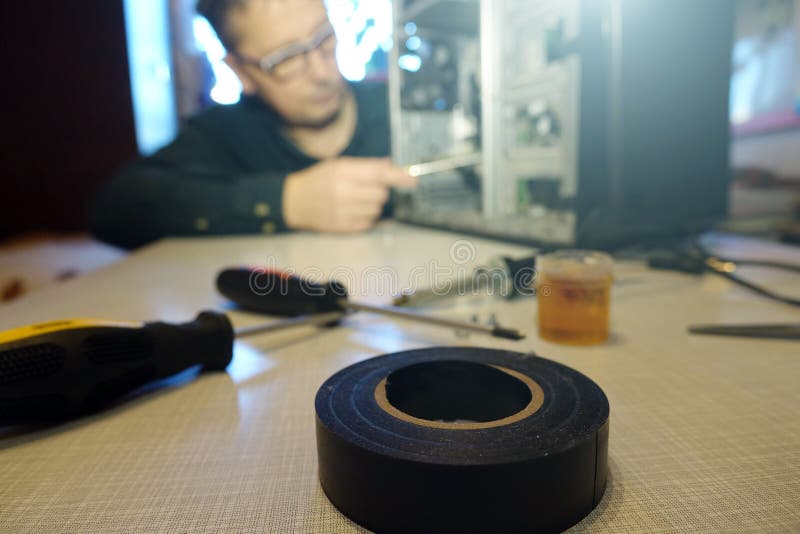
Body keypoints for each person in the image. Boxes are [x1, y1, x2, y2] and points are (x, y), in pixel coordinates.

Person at [89, 0, 416, 249]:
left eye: (324, 37)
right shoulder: (224, 135)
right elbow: (115, 209)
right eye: (285, 59)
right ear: (240, 72)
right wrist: (288, 201)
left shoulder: (405, 108)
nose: (321, 72)